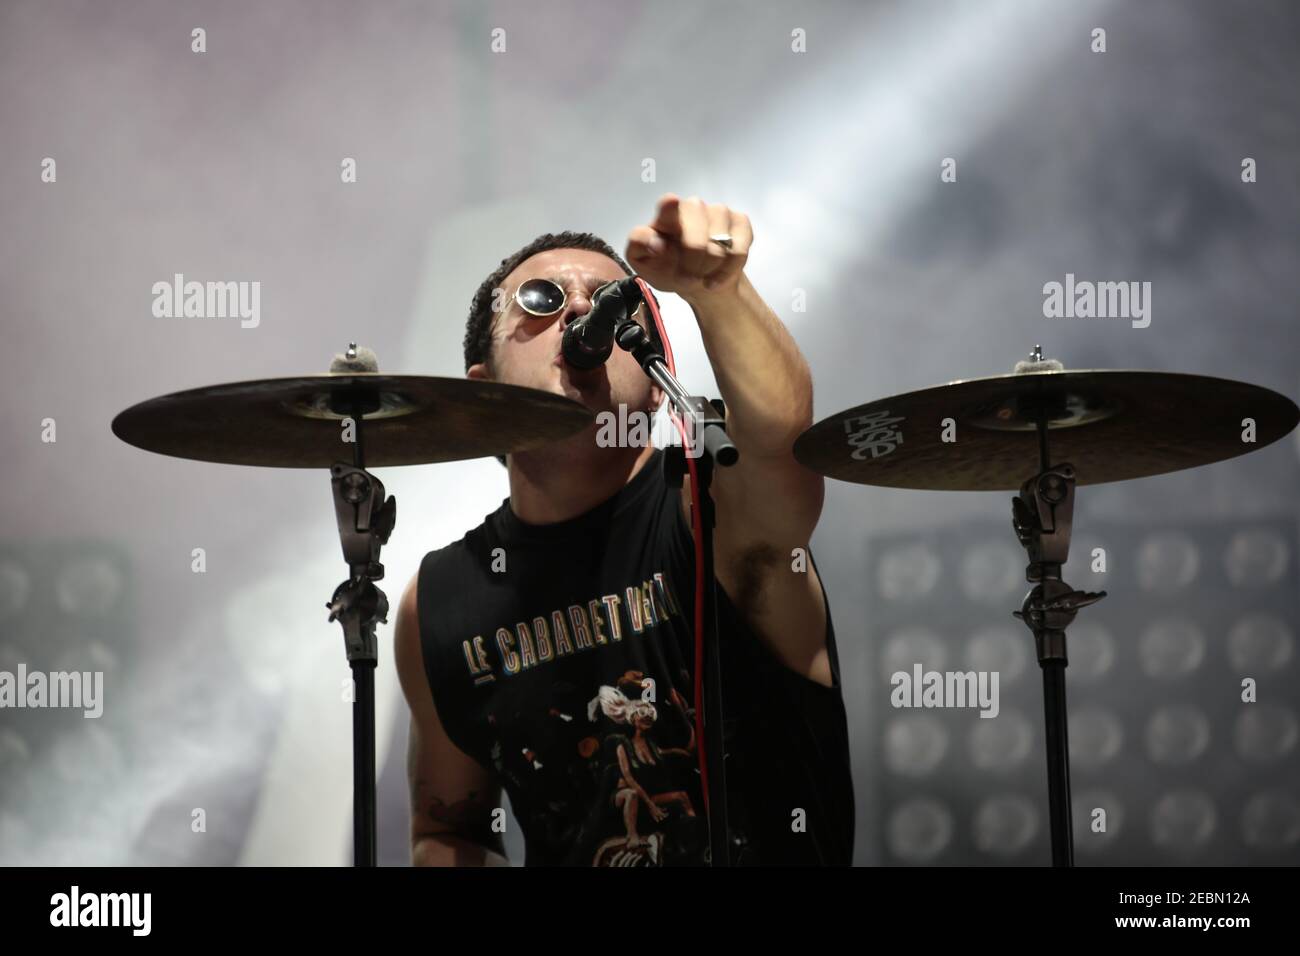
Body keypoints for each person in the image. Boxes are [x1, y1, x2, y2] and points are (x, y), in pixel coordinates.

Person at [393, 194, 854, 866]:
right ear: (482, 389)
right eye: (543, 299)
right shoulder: (439, 602)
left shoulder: (713, 507)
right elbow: (449, 830)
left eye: (612, 298)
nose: (582, 310)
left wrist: (717, 291)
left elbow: (782, 445)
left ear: (653, 376)